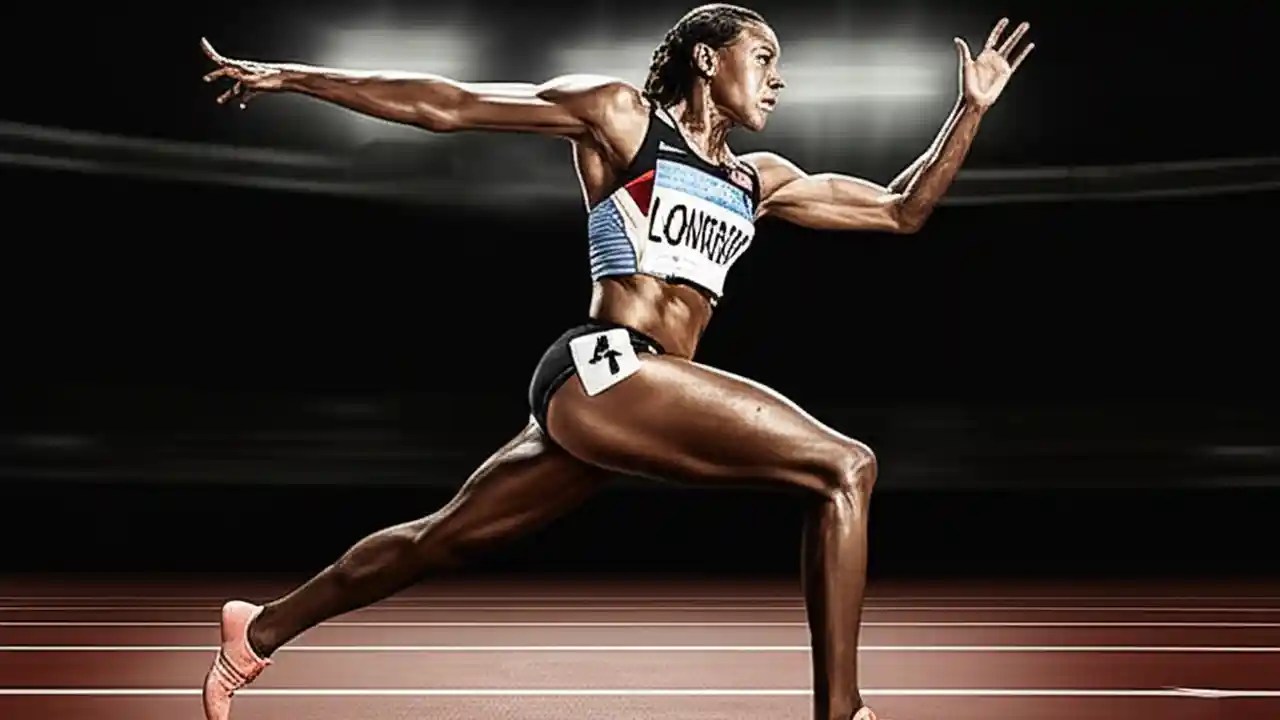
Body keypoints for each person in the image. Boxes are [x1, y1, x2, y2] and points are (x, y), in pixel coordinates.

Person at [197, 5, 1033, 720]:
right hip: (606, 364)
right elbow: (449, 104)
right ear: (709, 59)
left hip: (626, 393)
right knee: (847, 466)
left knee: (440, 540)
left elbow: (900, 210)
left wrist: (970, 111)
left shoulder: (756, 179)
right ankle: (842, 712)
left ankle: (257, 631)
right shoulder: (621, 117)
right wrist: (293, 76)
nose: (780, 81)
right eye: (766, 58)